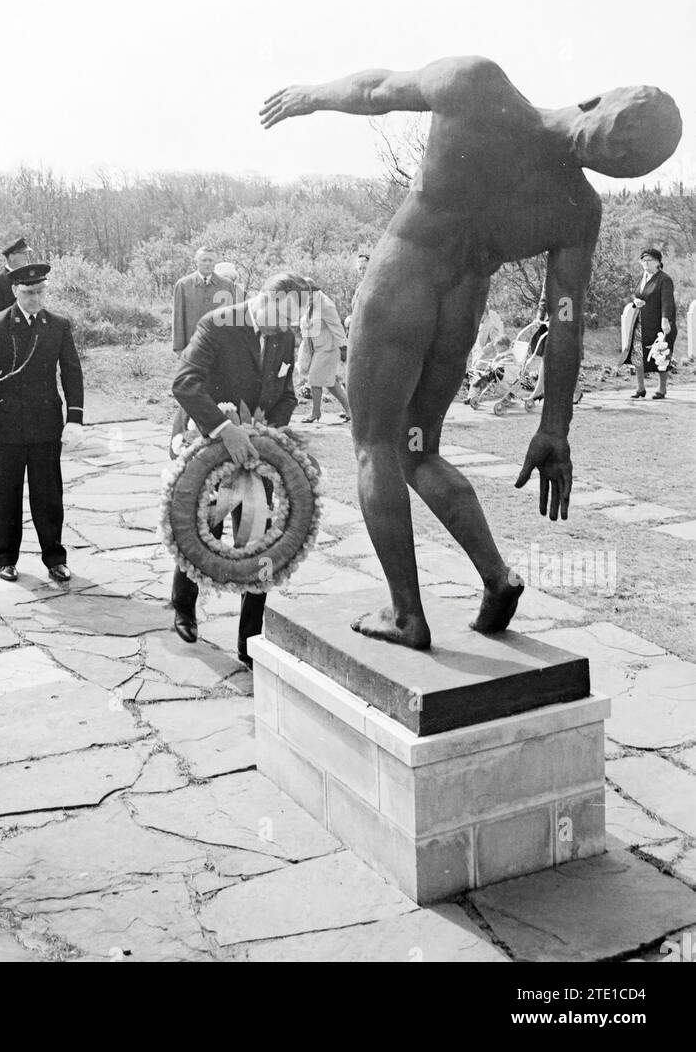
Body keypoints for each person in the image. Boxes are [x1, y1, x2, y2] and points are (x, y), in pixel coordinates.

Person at [262, 56, 681, 649]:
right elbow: (564, 320)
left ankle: (406, 613)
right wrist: (553, 426)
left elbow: (377, 88)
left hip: (402, 284)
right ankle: (495, 575)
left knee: (378, 445)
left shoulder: (479, 88)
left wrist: (310, 94)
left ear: (596, 98)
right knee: (416, 449)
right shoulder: (576, 207)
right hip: (460, 306)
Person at [170, 272, 313, 665]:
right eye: (284, 317)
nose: (288, 328)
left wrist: (271, 429)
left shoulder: (284, 336)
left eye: (294, 321)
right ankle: (183, 607)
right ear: (265, 299)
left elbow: (286, 395)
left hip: (258, 460)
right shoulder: (218, 325)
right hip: (215, 452)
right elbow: (184, 384)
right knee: (204, 531)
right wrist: (224, 428)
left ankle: (250, 639)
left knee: (259, 543)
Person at [0, 262, 85, 584]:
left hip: (45, 425)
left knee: (48, 497)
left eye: (40, 292)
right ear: (14, 291)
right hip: (5, 428)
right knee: (6, 496)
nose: (36, 298)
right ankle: (6, 558)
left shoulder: (58, 325)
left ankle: (55, 558)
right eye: (29, 292)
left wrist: (74, 418)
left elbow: (72, 372)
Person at [620, 247, 677, 399]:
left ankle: (662, 389)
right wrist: (635, 300)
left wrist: (665, 320)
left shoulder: (664, 279)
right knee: (637, 354)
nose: (645, 263)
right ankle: (640, 388)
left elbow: (667, 302)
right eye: (643, 260)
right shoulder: (643, 277)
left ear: (658, 262)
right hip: (640, 323)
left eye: (649, 260)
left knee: (661, 354)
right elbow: (636, 293)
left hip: (658, 325)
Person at [299, 288, 351, 423]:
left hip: (328, 348)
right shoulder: (309, 304)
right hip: (316, 348)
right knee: (330, 382)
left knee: (314, 379)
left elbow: (337, 326)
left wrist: (344, 347)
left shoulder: (326, 305)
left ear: (313, 291)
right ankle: (350, 411)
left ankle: (315, 413)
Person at [172, 247, 236, 355]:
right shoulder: (183, 285)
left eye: (210, 260)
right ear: (196, 261)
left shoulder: (227, 285)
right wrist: (179, 348)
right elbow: (178, 319)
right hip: (192, 346)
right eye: (204, 260)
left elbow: (233, 318)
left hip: (220, 347)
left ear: (215, 262)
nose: (207, 264)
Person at [0, 238, 32, 315]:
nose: (27, 257)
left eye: (27, 254)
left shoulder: (30, 278)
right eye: (24, 254)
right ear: (11, 257)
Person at [345, 250, 370, 335]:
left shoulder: (371, 285)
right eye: (360, 268)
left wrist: (352, 319)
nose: (362, 271)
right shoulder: (359, 286)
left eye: (364, 268)